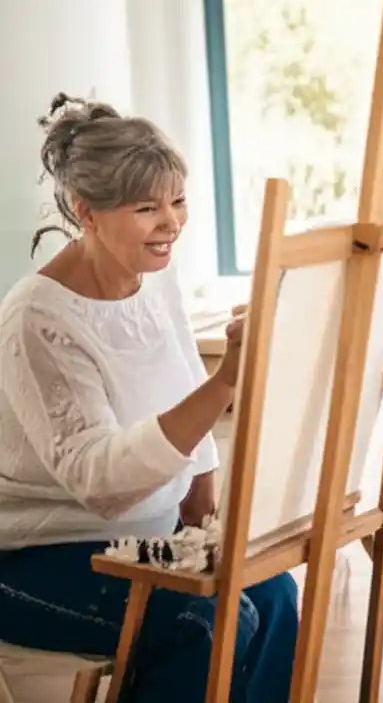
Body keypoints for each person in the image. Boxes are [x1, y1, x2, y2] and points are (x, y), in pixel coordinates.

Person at [0, 94, 299, 702]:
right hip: (36, 559)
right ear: (86, 212)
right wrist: (226, 385)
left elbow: (185, 387)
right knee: (204, 620)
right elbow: (99, 481)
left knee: (273, 591)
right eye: (147, 208)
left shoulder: (151, 281)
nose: (171, 222)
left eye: (178, 201)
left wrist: (205, 518)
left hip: (142, 541)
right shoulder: (38, 317)